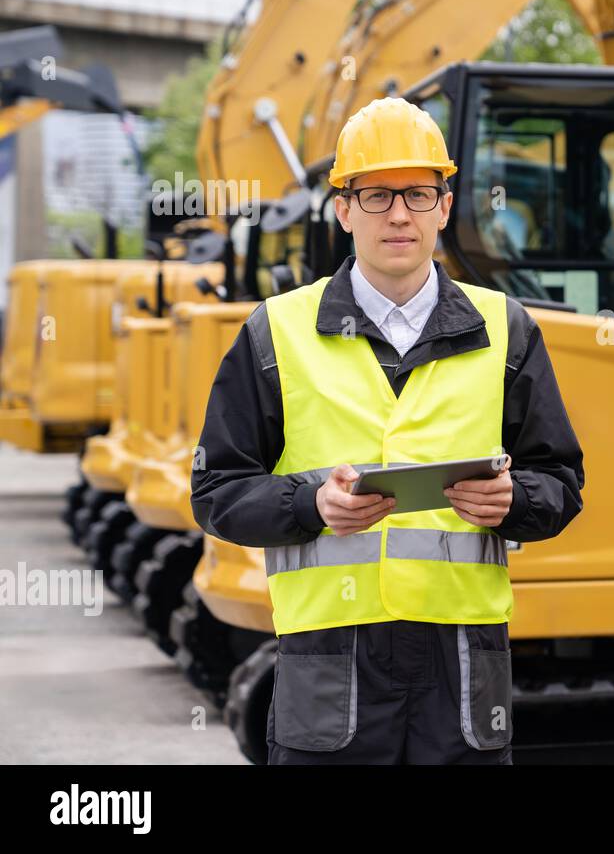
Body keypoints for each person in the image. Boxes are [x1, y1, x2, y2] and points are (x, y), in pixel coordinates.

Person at [190, 96, 584, 764]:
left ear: (445, 207)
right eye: (375, 195)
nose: (399, 213)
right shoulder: (275, 332)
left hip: (460, 659)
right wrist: (309, 503)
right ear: (343, 209)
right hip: (328, 654)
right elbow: (217, 492)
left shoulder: (508, 329)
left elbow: (561, 482)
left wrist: (515, 501)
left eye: (418, 193)